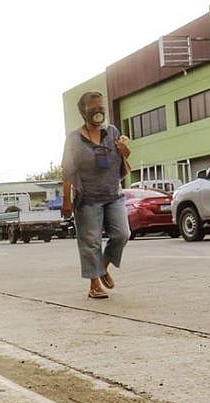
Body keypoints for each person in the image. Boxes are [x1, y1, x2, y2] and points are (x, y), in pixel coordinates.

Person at [61, 91, 131, 299]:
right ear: (83, 111)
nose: (98, 110)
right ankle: (94, 285)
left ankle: (102, 268)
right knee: (91, 242)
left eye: (101, 106)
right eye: (93, 107)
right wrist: (66, 201)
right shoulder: (74, 139)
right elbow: (67, 170)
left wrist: (124, 149)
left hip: (113, 195)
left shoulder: (112, 132)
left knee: (122, 234)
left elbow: (124, 157)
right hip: (87, 198)